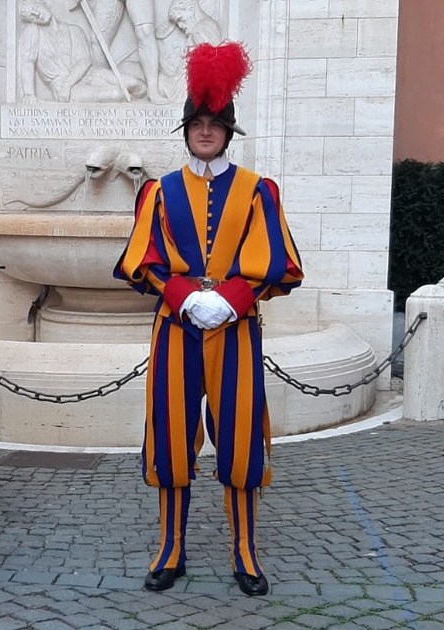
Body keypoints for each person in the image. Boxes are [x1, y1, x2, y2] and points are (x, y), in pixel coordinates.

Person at [113, 42, 304, 595]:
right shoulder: (159, 190)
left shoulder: (258, 190)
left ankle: (245, 552)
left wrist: (235, 298)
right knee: (173, 441)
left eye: (214, 123)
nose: (205, 132)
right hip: (176, 330)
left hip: (237, 331)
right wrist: (181, 293)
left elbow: (279, 262)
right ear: (186, 129)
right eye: (197, 123)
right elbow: (141, 258)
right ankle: (170, 548)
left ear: (228, 131)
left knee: (240, 440)